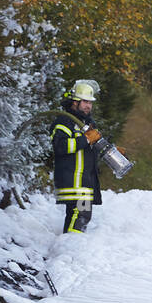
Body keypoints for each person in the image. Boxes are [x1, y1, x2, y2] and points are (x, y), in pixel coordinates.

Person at [50, 79, 103, 233]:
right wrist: (86, 139)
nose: (88, 105)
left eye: (90, 102)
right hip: (73, 182)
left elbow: (90, 152)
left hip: (84, 183)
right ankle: (70, 249)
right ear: (74, 102)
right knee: (80, 216)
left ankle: (68, 249)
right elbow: (60, 146)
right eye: (85, 101)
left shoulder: (88, 123)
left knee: (79, 217)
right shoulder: (63, 122)